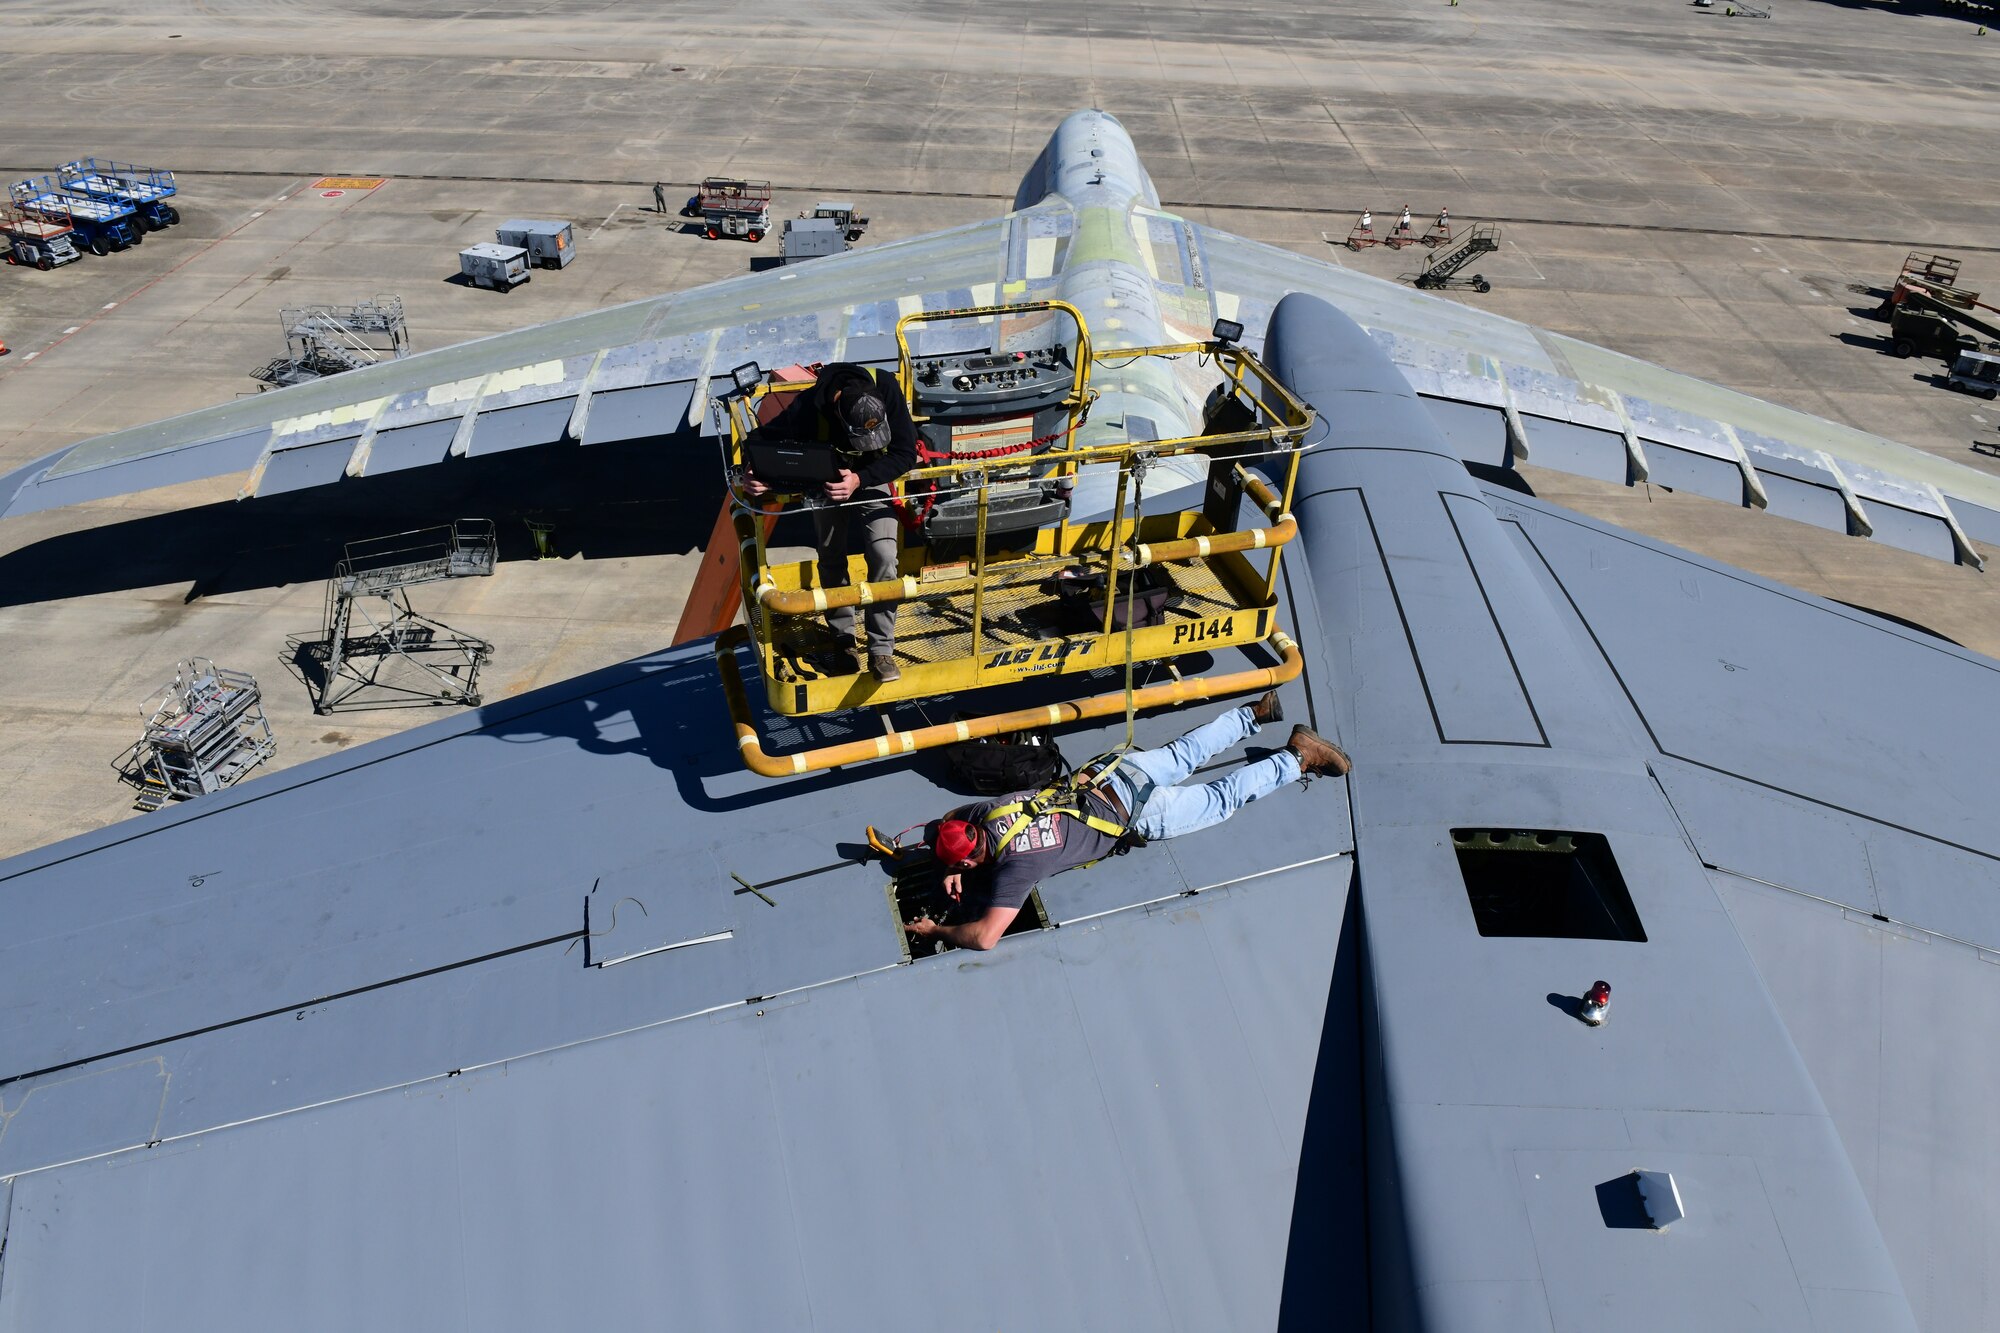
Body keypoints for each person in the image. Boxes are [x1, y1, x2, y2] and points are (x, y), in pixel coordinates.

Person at [906, 693, 1350, 950]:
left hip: (1135, 813)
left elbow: (986, 937)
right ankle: (1254, 713)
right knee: (1185, 753)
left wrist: (937, 928)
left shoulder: (1015, 869)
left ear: (969, 862)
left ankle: (1298, 756)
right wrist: (951, 865)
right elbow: (950, 818)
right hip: (1113, 774)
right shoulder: (983, 813)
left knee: (1221, 799)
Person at [742, 362, 918, 681]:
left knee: (884, 555)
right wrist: (752, 471)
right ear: (838, 411)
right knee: (831, 554)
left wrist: (860, 478)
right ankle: (843, 640)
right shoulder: (809, 406)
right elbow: (762, 438)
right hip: (826, 480)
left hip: (871, 475)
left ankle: (881, 650)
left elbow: (905, 453)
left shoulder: (886, 387)